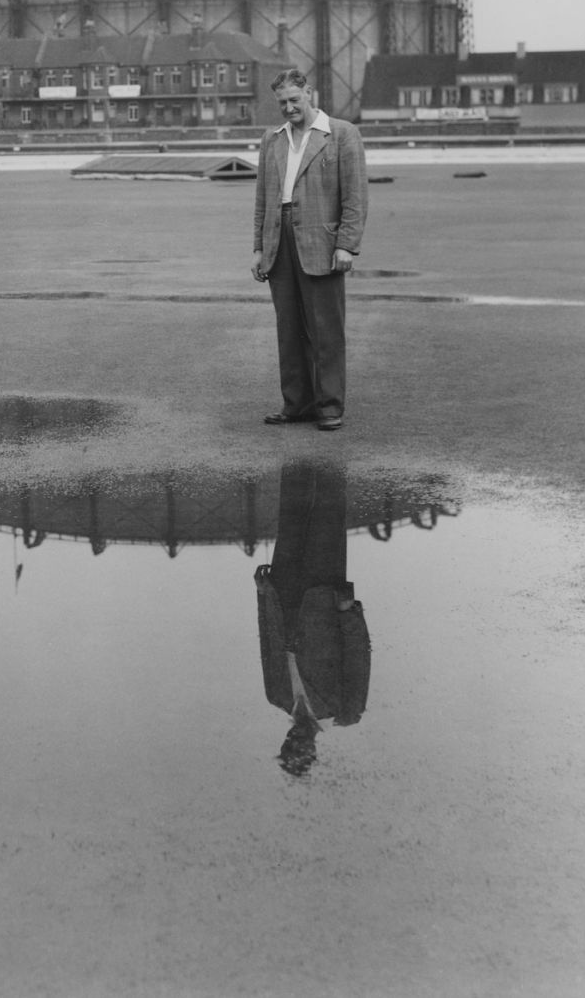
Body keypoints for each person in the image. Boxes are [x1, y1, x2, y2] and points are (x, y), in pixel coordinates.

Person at [251, 68, 368, 430]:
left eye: (294, 100)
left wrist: (346, 245)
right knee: (288, 328)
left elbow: (355, 197)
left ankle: (329, 406)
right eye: (282, 102)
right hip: (278, 239)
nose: (288, 108)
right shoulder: (272, 139)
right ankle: (296, 403)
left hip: (322, 240)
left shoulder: (342, 134)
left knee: (326, 329)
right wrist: (258, 248)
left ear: (310, 94)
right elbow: (262, 199)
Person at [255, 460, 371, 777]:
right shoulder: (341, 708)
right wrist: (350, 613)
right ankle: (334, 460)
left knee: (291, 517)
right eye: (300, 750)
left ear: (284, 742)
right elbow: (358, 658)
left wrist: (263, 594)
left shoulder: (275, 695)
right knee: (327, 520)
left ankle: (295, 458)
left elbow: (266, 643)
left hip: (284, 594)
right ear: (313, 751)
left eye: (288, 746)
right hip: (322, 599)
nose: (295, 741)